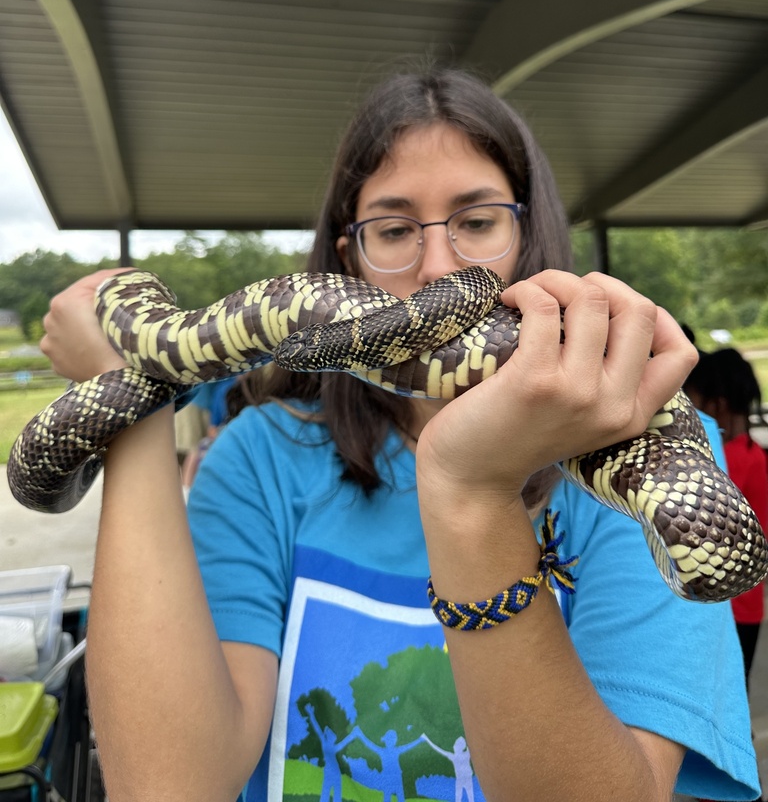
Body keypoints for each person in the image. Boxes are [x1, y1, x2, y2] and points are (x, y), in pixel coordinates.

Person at [39, 69, 759, 802]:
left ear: (529, 231)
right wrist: (127, 402)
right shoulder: (263, 457)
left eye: (477, 222)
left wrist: (471, 488)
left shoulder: (633, 430)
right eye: (393, 229)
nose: (439, 263)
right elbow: (167, 789)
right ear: (347, 258)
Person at [685, 348, 768, 691]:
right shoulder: (754, 454)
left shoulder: (724, 463)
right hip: (747, 606)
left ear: (716, 404)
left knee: (722, 691)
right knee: (736, 692)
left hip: (725, 607)